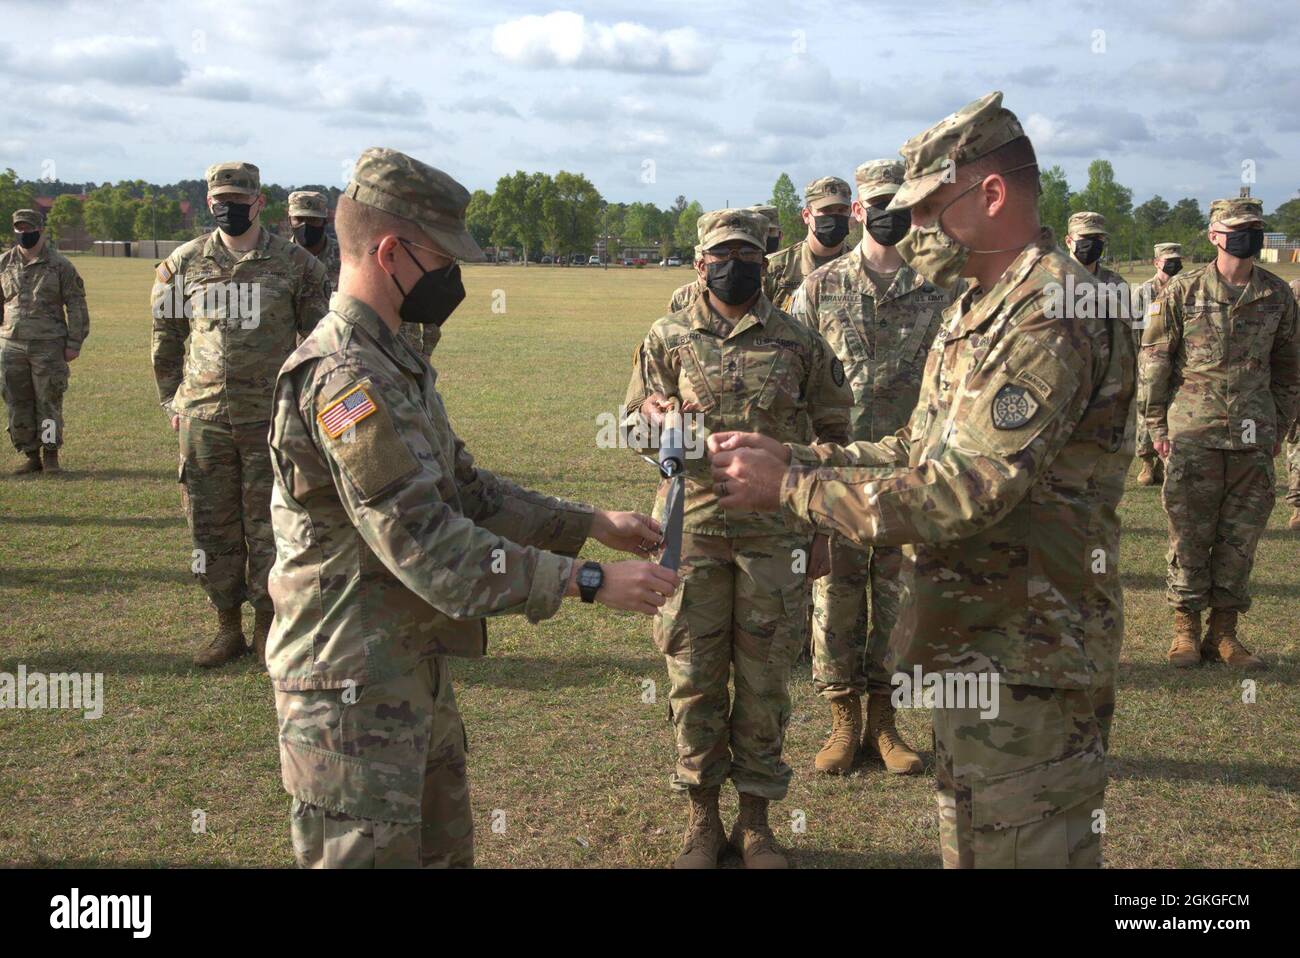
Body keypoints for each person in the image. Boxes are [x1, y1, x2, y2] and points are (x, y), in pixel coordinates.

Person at [707, 92, 1134, 869]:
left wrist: (793, 490)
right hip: (979, 644)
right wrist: (797, 457)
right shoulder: (981, 305)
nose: (913, 228)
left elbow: (968, 489)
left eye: (931, 207)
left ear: (992, 195)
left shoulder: (1054, 309)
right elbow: (915, 448)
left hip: (1032, 656)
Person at [267, 147, 677, 868]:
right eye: (443, 259)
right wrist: (584, 581)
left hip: (407, 671)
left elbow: (470, 492)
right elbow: (428, 546)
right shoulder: (345, 379)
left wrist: (591, 526)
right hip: (350, 695)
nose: (454, 278)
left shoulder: (395, 362)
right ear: (390, 253)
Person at [625, 208, 851, 868]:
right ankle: (702, 819)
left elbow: (836, 437)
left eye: (748, 255)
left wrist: (822, 526)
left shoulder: (799, 341)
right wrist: (652, 423)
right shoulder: (666, 336)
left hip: (775, 534)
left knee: (765, 683)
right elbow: (631, 423)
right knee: (693, 677)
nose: (735, 265)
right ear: (700, 264)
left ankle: (756, 823)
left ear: (764, 260)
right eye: (722, 255)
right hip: (689, 531)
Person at [789, 158, 957, 775]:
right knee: (835, 597)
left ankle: (886, 722)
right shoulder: (819, 288)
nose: (890, 214)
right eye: (879, 204)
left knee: (899, 598)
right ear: (859, 210)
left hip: (909, 473)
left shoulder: (939, 290)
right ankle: (843, 720)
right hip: (836, 472)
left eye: (900, 203)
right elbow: (792, 382)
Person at [151, 161, 331, 667]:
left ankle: (266, 626)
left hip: (270, 420)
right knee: (211, 527)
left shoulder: (298, 266)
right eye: (219, 200)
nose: (227, 207)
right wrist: (172, 401)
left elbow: (320, 343)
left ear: (259, 203)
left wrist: (307, 407)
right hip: (203, 420)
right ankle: (226, 625)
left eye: (237, 199)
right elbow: (166, 336)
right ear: (209, 202)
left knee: (272, 526)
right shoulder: (184, 263)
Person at [1142, 197, 1299, 670]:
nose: (1248, 236)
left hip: (1253, 437)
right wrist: (1155, 425)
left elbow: (1289, 367)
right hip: (1193, 433)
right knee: (1189, 534)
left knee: (1240, 538)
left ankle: (1224, 634)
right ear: (1215, 235)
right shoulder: (1183, 291)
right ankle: (1185, 629)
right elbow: (1155, 361)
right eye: (1238, 229)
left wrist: (1279, 423)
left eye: (1255, 228)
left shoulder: (1277, 294)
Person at [0, 208, 89, 474]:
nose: (24, 233)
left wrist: (74, 343)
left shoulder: (60, 265)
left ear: (41, 230)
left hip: (48, 346)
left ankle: (50, 455)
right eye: (19, 228)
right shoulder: (4, 263)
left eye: (29, 228)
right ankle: (30, 455)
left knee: (48, 402)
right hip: (11, 345)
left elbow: (76, 305)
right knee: (17, 402)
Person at [1131, 243, 1184, 485]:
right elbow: (1134, 328)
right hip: (1149, 360)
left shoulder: (1186, 289)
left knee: (1173, 407)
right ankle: (1147, 462)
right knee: (1147, 408)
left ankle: (1165, 462)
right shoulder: (1144, 292)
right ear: (1156, 263)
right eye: (1168, 260)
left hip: (1178, 359)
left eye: (1177, 260)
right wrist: (1138, 359)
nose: (1173, 264)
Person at [764, 177, 853, 312]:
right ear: (806, 215)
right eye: (826, 210)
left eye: (842, 210)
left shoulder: (861, 266)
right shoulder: (775, 267)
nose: (834, 217)